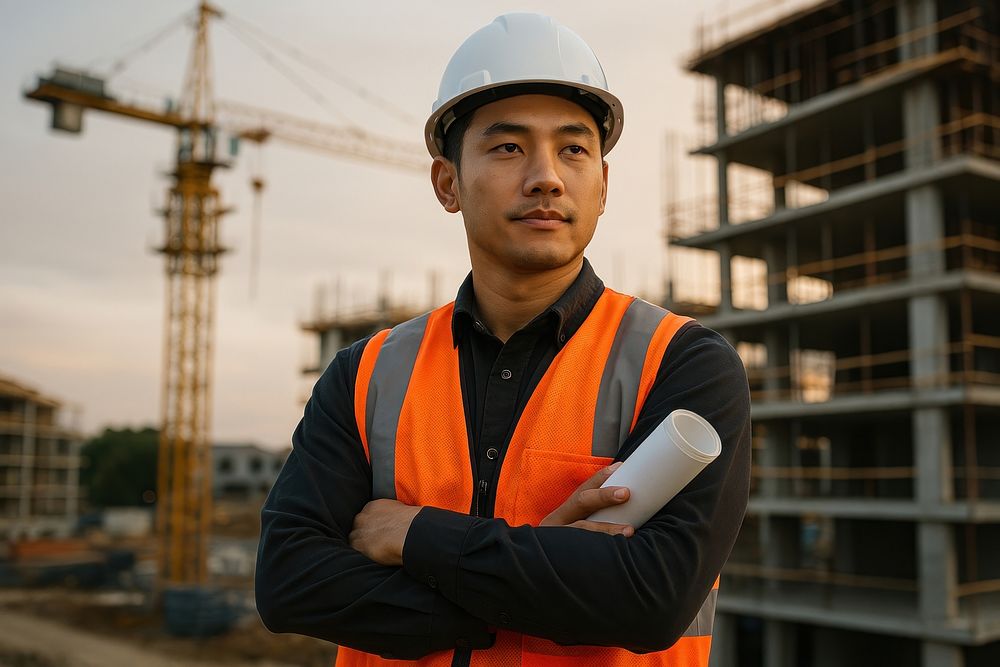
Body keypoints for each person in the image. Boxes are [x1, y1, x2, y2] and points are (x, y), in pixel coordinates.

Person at [256, 12, 750, 667]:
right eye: (508, 147)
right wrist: (538, 563)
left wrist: (417, 536)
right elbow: (291, 580)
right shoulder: (367, 373)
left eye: (574, 148)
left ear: (603, 187)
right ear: (447, 183)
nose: (546, 176)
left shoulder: (685, 365)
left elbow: (651, 596)